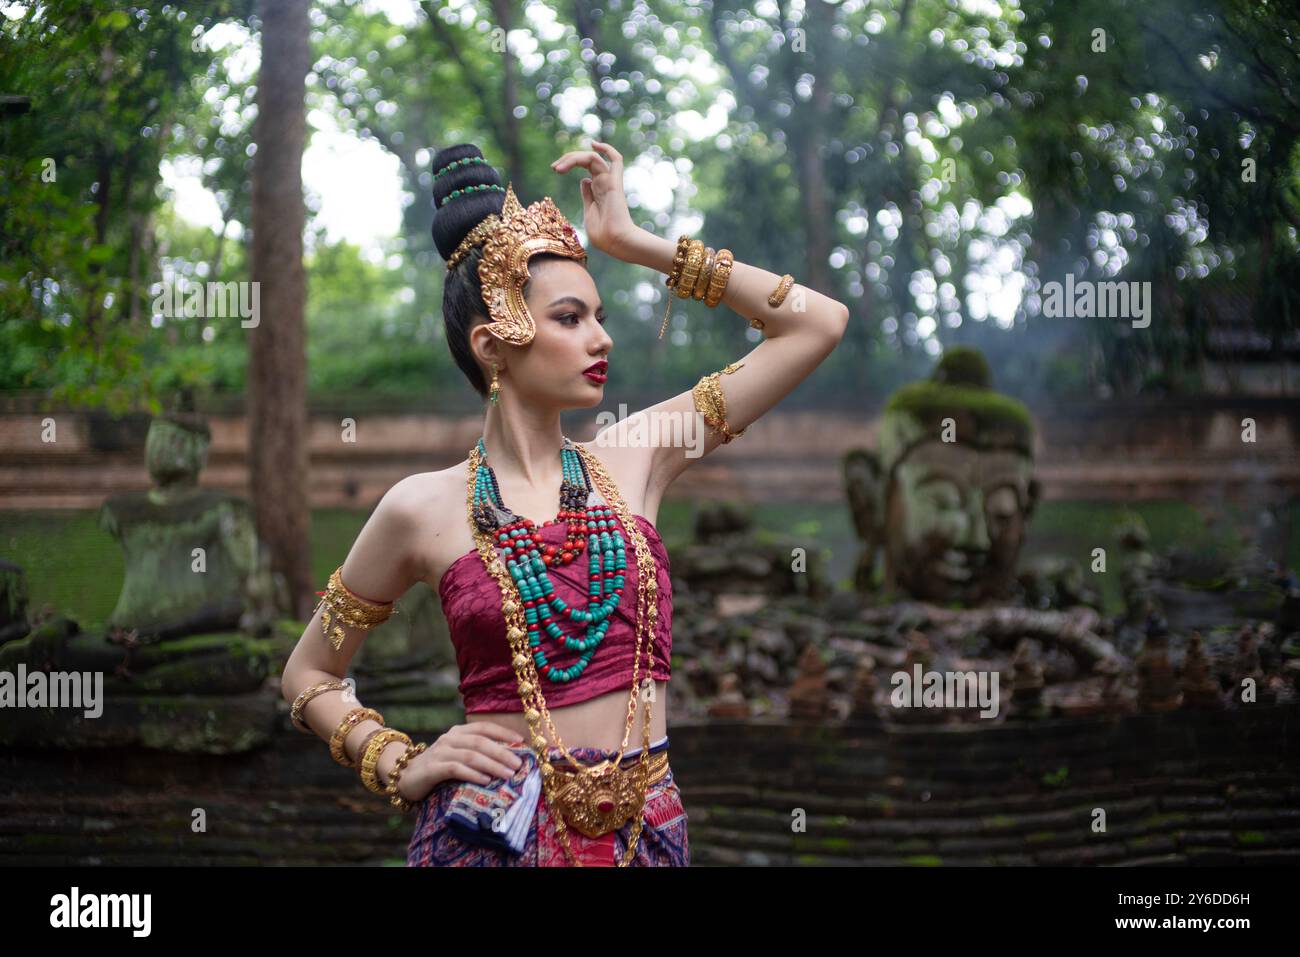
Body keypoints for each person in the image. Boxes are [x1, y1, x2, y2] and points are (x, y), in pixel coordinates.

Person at [280, 139, 851, 866]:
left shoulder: (637, 454)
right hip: (497, 838)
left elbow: (816, 323)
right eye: (570, 318)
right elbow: (308, 673)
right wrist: (397, 762)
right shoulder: (419, 508)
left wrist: (633, 241)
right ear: (494, 344)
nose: (601, 336)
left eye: (598, 314)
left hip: (646, 833)